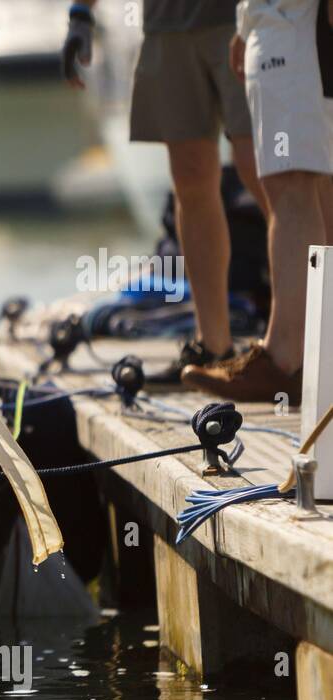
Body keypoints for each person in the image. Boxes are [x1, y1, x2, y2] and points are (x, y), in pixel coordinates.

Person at [64, 0, 270, 384]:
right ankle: (214, 347)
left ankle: (295, 350)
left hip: (245, 18)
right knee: (190, 180)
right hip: (167, 25)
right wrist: (81, 14)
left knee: (267, 175)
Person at [182, 0, 333, 402]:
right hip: (283, 23)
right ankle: (316, 356)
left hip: (291, 24)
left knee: (292, 184)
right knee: (315, 185)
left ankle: (286, 359)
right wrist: (247, 25)